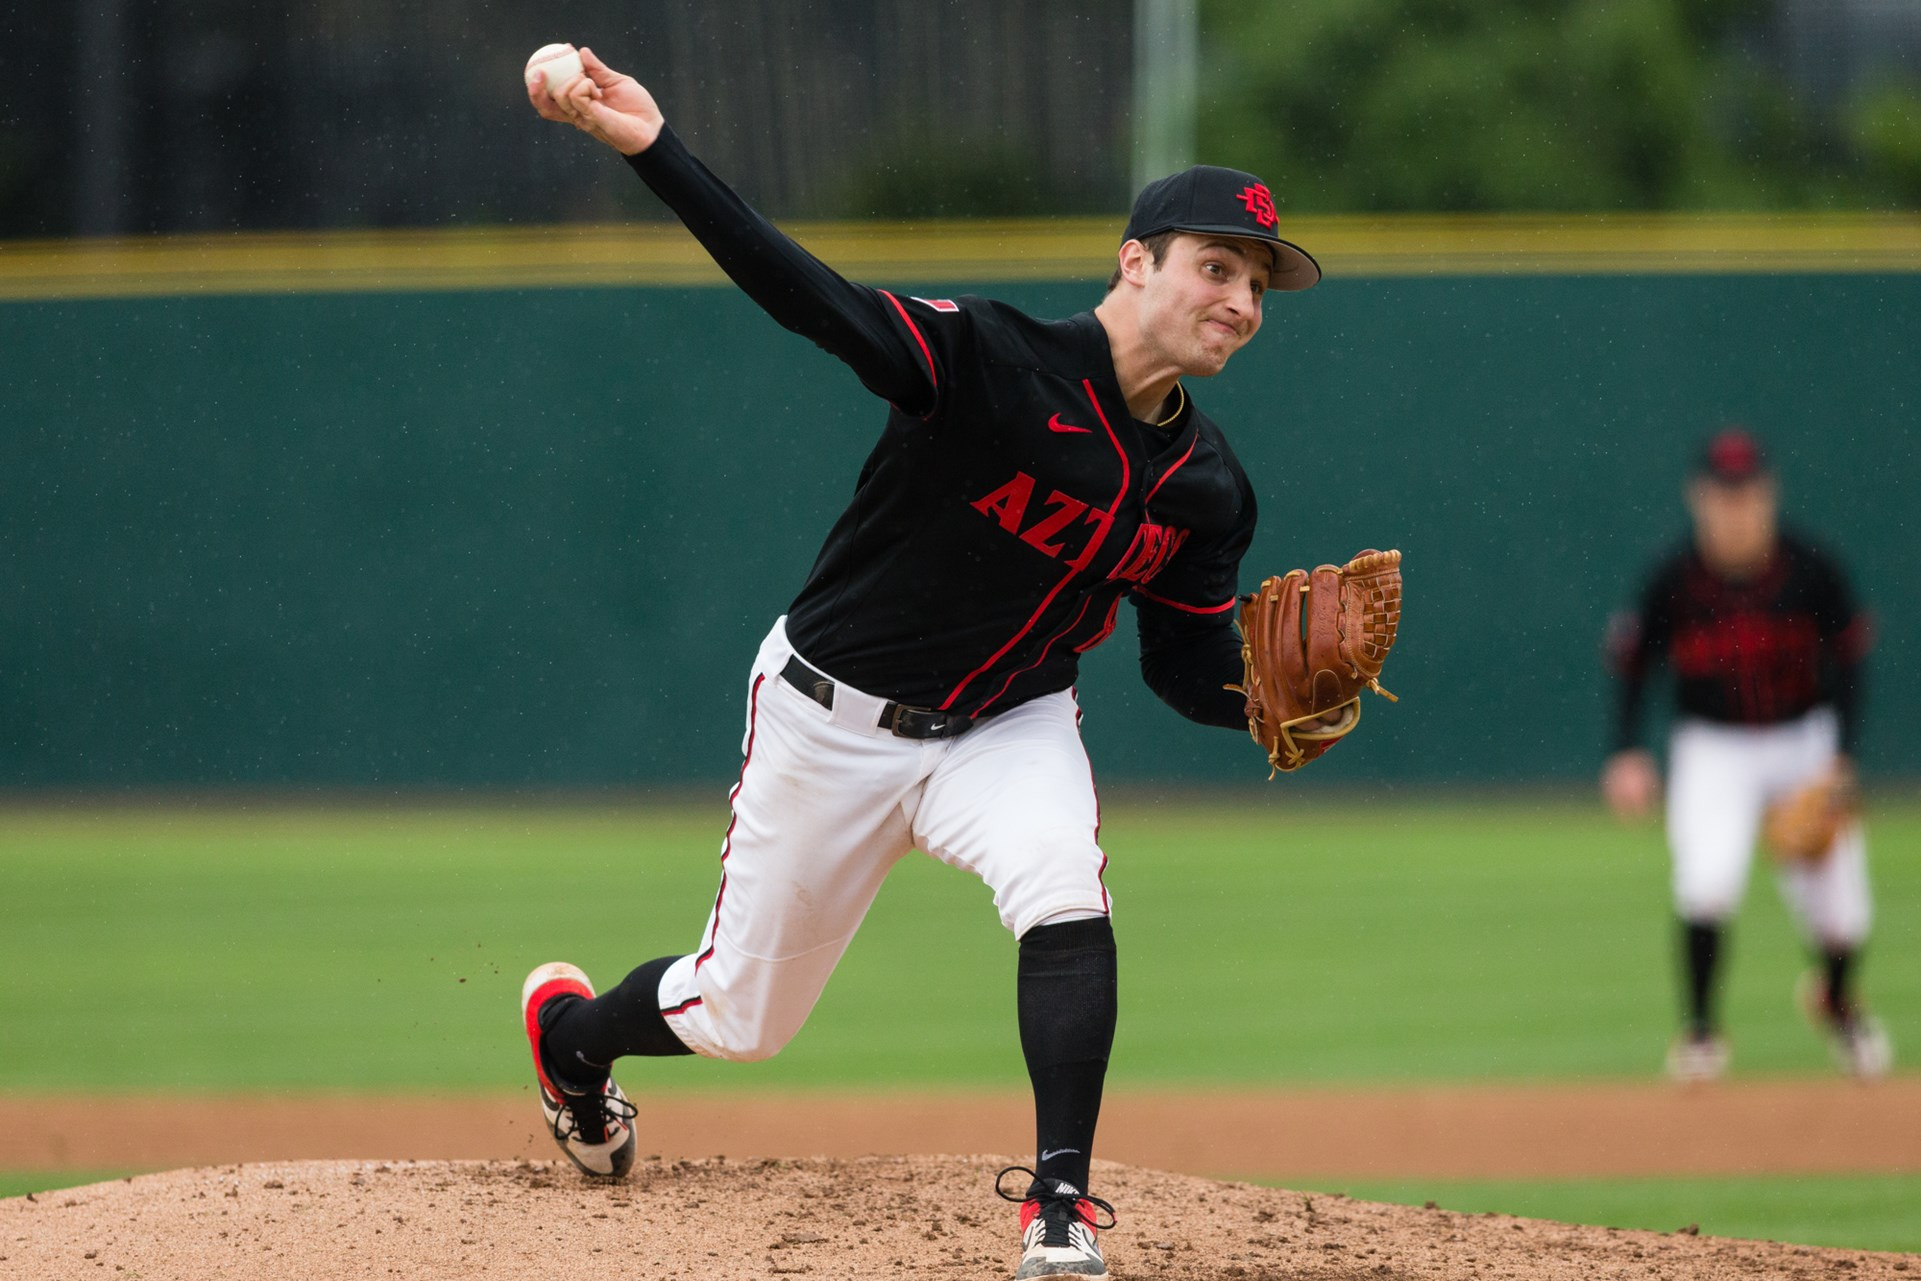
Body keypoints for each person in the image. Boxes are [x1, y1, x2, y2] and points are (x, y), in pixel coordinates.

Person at [515, 45, 1329, 1281]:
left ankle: (1059, 1209)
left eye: (1258, 284)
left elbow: (1181, 663)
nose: (1241, 300)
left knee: (1064, 890)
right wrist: (653, 148)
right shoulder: (991, 357)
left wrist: (1266, 700)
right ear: (1135, 262)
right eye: (1216, 266)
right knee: (740, 1017)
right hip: (830, 719)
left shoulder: (1208, 488)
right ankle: (573, 1041)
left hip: (1009, 724)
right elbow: (809, 297)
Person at [1601, 426, 1888, 1083]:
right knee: (1704, 883)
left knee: (1842, 910)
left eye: (1747, 492)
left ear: (1768, 494)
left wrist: (1841, 757)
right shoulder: (1673, 577)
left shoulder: (1811, 568)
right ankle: (1701, 1034)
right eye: (1723, 493)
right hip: (1713, 747)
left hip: (1803, 739)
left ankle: (1837, 999)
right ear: (1698, 497)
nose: (1735, 507)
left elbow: (1849, 662)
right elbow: (1631, 662)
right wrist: (1626, 751)